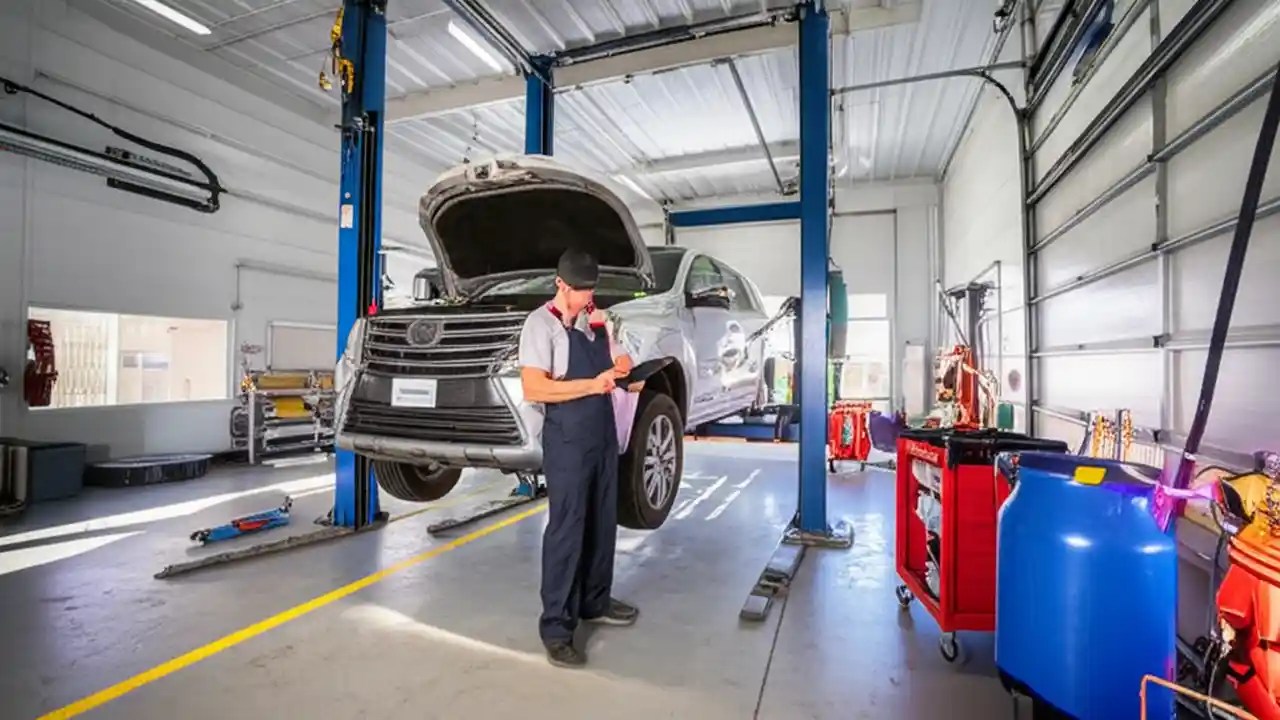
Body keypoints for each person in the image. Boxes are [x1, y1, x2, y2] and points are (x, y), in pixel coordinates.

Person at [517, 247, 642, 668]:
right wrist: (593, 385)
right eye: (578, 293)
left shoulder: (594, 320)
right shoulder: (540, 325)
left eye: (590, 292)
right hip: (567, 438)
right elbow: (536, 388)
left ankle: (595, 601)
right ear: (560, 285)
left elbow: (622, 362)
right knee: (568, 528)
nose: (584, 300)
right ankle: (556, 626)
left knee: (603, 519)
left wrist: (624, 365)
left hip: (602, 434)